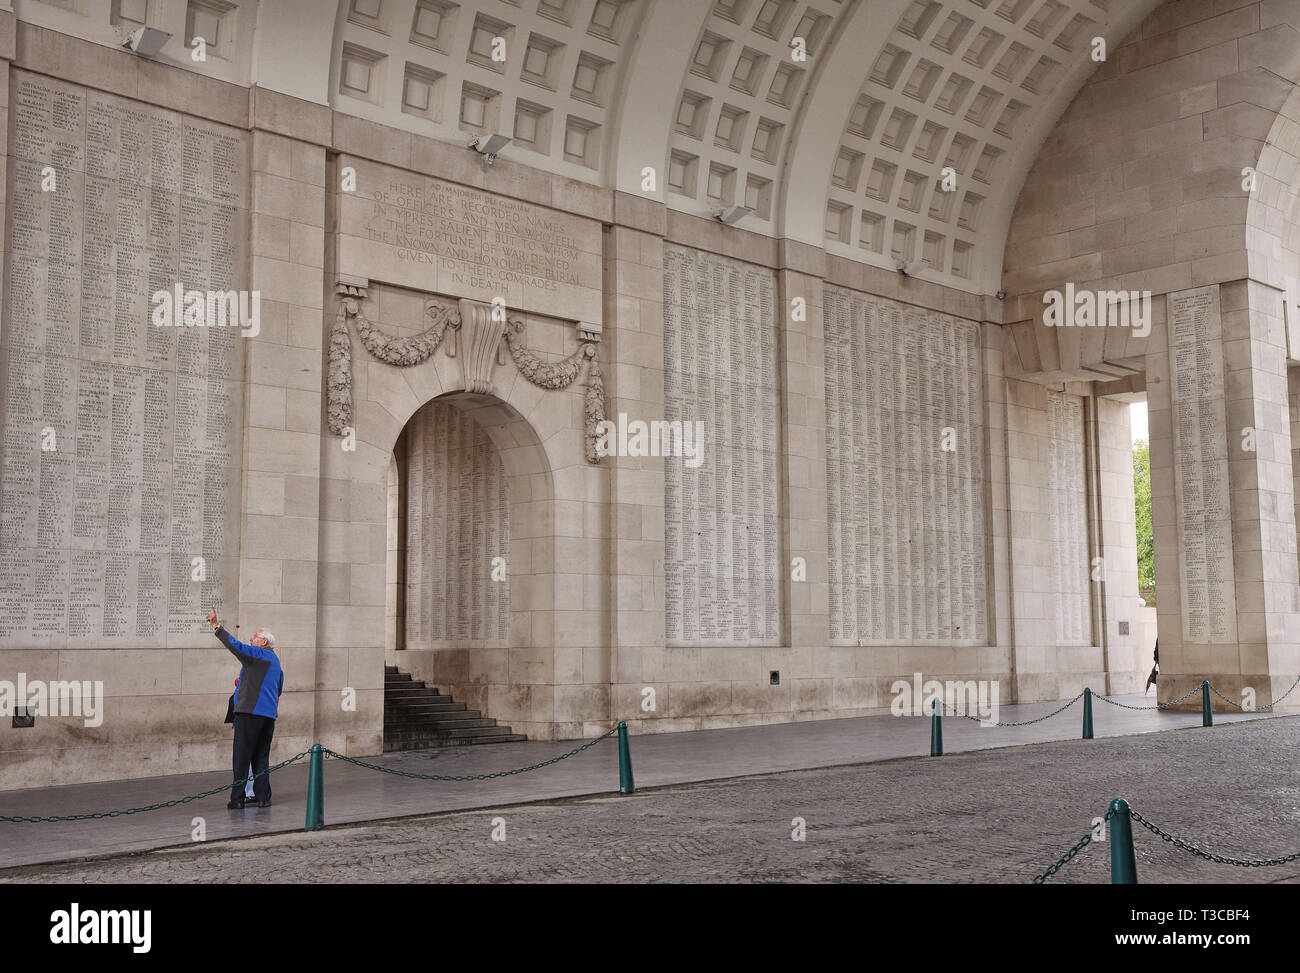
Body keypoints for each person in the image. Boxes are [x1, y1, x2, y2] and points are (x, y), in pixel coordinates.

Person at [206, 608, 283, 809]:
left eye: (255, 637)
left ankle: (238, 799)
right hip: (268, 716)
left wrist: (216, 626)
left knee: (241, 757)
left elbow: (236, 646)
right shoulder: (276, 662)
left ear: (264, 642)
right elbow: (279, 689)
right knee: (261, 757)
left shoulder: (258, 654)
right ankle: (263, 797)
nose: (251, 639)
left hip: (250, 714)